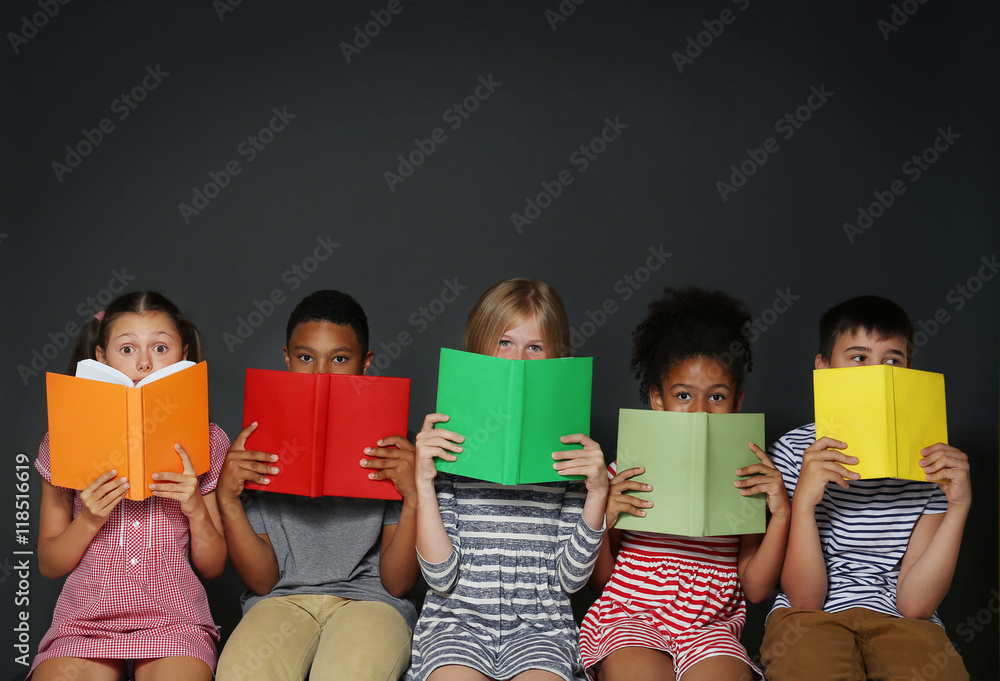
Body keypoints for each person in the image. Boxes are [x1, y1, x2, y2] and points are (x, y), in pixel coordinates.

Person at [579, 287, 789, 681]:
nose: (699, 411)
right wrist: (607, 518)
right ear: (658, 399)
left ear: (737, 402)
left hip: (710, 629)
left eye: (717, 397)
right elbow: (602, 581)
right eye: (683, 395)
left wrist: (779, 514)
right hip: (631, 619)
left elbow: (757, 589)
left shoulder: (750, 476)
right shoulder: (624, 470)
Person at [408, 278, 609, 681]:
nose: (518, 360)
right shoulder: (450, 445)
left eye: (534, 347)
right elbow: (439, 577)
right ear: (480, 347)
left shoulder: (569, 454)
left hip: (541, 628)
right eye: (505, 343)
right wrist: (425, 484)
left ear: (555, 355)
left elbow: (571, 579)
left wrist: (597, 492)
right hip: (456, 623)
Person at [761, 295, 970, 680]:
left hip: (902, 618)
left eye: (892, 361)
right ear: (823, 369)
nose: (878, 373)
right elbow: (805, 599)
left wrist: (958, 507)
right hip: (810, 615)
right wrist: (804, 503)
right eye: (859, 357)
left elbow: (915, 605)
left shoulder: (931, 461)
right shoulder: (792, 452)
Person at [215, 289, 419, 681]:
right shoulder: (255, 447)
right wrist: (227, 499)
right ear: (287, 359)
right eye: (306, 357)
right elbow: (262, 580)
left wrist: (413, 497)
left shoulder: (395, 448)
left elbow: (397, 584)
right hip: (281, 602)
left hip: (371, 603)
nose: (321, 373)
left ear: (365, 364)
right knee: (240, 675)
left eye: (340, 359)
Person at [32, 291, 229, 680]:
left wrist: (194, 507)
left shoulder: (208, 440)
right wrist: (88, 519)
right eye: (126, 349)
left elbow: (215, 566)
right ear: (101, 358)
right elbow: (48, 564)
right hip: (84, 626)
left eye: (160, 347)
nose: (144, 363)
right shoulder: (62, 440)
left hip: (174, 623)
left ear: (184, 356)